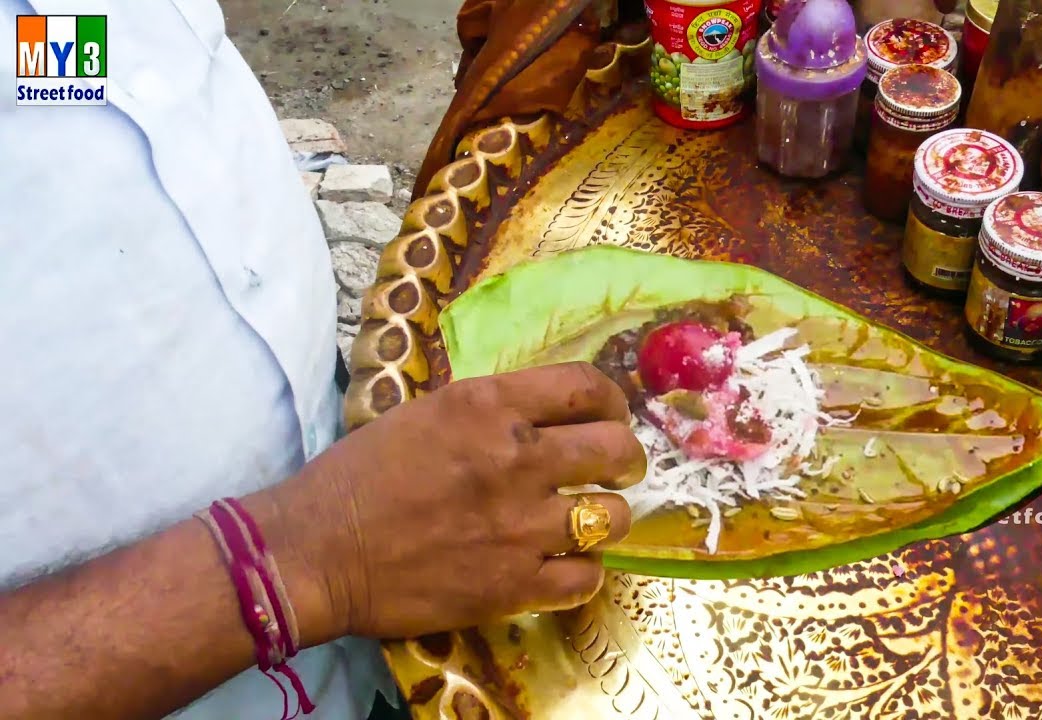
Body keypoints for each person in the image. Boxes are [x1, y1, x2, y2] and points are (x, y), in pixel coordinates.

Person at [0, 2, 645, 719]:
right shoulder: (327, 552)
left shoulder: (39, 53)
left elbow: (68, 68)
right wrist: (305, 561)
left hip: (359, 484)